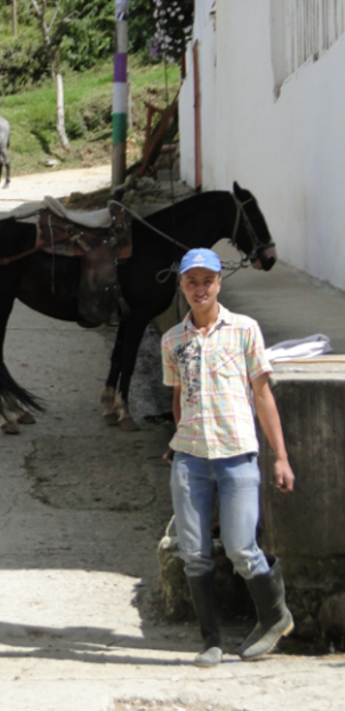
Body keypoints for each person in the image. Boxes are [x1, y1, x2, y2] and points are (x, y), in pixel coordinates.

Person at [161, 248, 295, 667]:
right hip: (190, 458)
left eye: (207, 281)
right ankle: (211, 642)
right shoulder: (173, 340)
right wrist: (180, 438)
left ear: (219, 283)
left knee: (241, 548)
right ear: (182, 286)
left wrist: (280, 457)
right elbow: (179, 397)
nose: (199, 289)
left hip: (237, 454)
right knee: (194, 552)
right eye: (192, 282)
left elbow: (262, 395)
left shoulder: (244, 330)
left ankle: (275, 617)